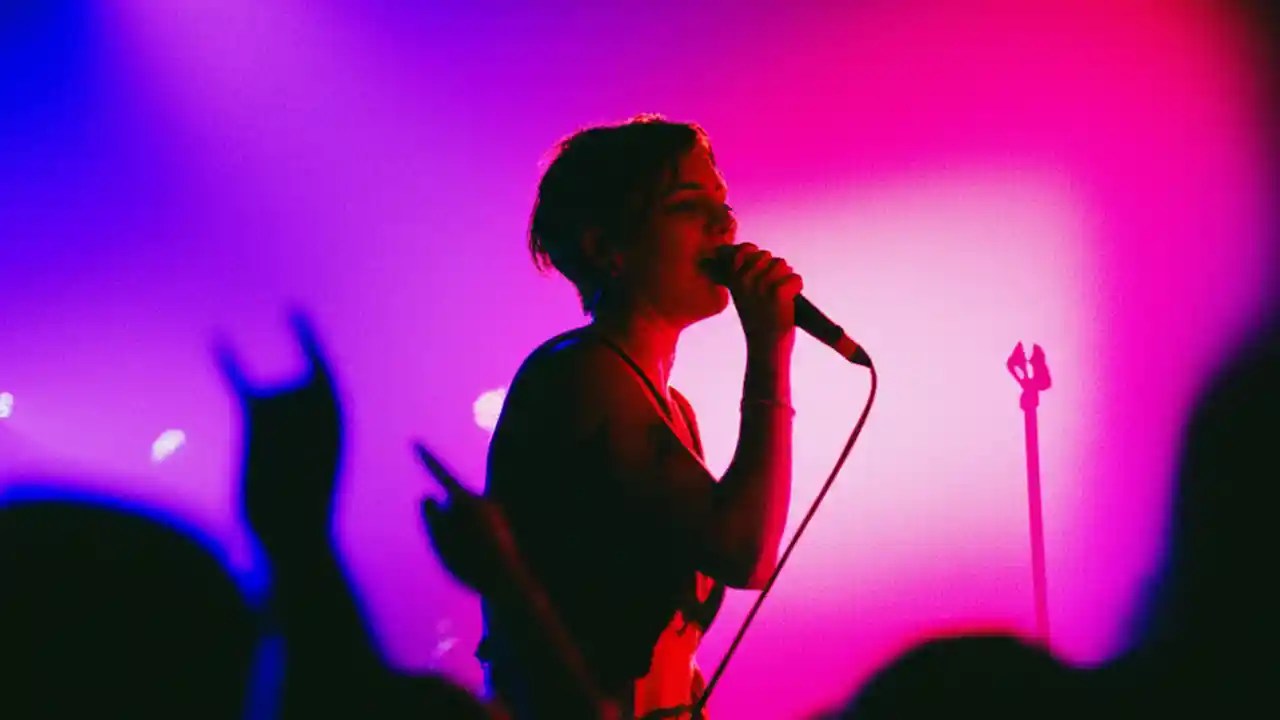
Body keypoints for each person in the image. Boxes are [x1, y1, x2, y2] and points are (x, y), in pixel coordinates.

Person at [478, 114, 804, 719]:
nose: (725, 223)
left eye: (723, 204)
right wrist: (768, 349)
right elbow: (745, 552)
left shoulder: (672, 408)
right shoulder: (581, 374)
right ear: (609, 248)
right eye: (688, 205)